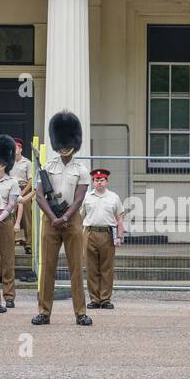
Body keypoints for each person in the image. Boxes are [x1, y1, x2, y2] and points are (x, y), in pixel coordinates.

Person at [32, 111, 91, 326]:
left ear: (74, 143)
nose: (65, 147)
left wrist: (65, 217)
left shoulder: (81, 170)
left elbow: (79, 198)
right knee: (47, 268)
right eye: (62, 144)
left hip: (72, 221)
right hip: (51, 221)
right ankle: (44, 312)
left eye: (68, 143)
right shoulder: (48, 167)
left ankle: (81, 312)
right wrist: (52, 217)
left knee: (76, 268)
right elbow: (39, 195)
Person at [83, 168, 126, 310]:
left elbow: (120, 218)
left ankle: (105, 299)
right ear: (93, 182)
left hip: (107, 234)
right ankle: (94, 299)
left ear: (107, 181)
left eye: (102, 180)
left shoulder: (114, 197)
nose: (99, 182)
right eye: (96, 180)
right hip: (90, 233)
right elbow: (80, 217)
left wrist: (119, 236)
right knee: (91, 268)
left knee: (107, 268)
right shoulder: (86, 197)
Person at [0, 135, 20, 308]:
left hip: (5, 220)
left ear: (4, 165)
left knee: (8, 258)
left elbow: (11, 204)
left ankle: (9, 295)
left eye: (0, 163)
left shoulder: (12, 182)